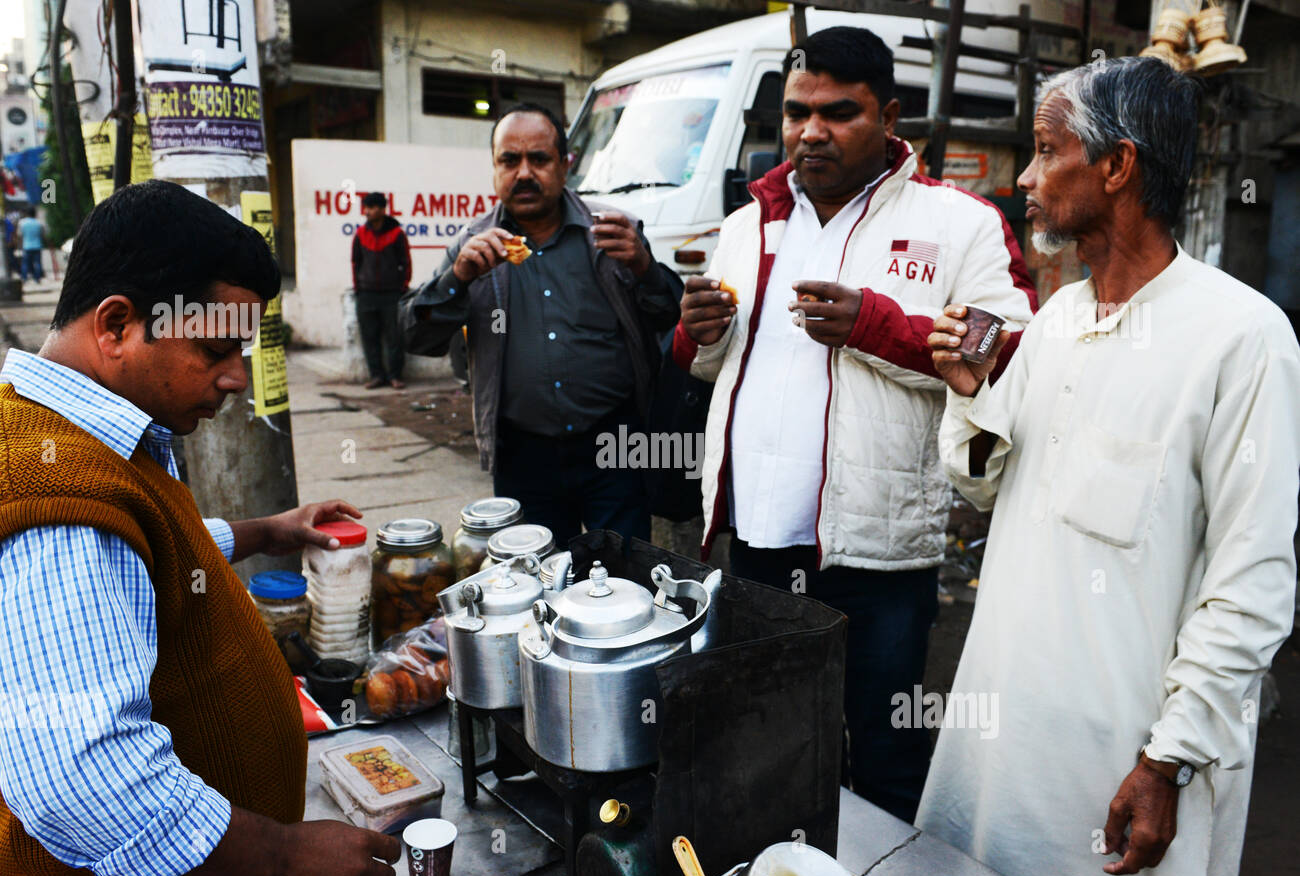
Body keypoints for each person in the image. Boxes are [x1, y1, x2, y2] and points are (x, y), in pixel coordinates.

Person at [917, 57, 1300, 876]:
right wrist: (970, 391)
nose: (1025, 175)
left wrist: (1168, 758)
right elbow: (987, 485)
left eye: (1046, 149)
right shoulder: (1057, 320)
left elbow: (1254, 582)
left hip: (1121, 764)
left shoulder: (1242, 336)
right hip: (999, 740)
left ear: (1116, 166)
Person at [0, 180, 400, 876]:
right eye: (216, 348)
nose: (236, 377)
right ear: (116, 325)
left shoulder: (93, 446)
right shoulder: (52, 496)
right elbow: (79, 773)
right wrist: (280, 858)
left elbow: (149, 562)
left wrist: (269, 530)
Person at [674, 26, 1037, 822]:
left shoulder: (958, 222)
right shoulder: (749, 224)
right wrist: (695, 330)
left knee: (885, 755)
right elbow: (710, 365)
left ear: (890, 116)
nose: (811, 131)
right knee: (770, 744)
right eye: (798, 111)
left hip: (878, 555)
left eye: (840, 112)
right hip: (758, 545)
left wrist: (878, 324)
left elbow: (1008, 346)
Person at [400, 103, 681, 545]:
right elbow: (417, 336)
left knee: (625, 578)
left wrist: (646, 267)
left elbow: (670, 318)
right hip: (523, 454)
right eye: (509, 161)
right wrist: (457, 279)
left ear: (565, 166)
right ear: (494, 169)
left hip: (615, 446)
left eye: (540, 159)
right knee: (540, 584)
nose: (524, 173)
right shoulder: (473, 245)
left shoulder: (613, 232)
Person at [352, 191, 412, 389]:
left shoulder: (397, 234)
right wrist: (358, 288)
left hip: (392, 294)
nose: (367, 211)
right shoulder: (360, 234)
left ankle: (395, 376)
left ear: (381, 209)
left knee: (394, 337)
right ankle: (377, 376)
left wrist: (403, 287)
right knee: (370, 337)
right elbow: (355, 262)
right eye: (366, 207)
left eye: (371, 207)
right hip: (366, 294)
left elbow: (406, 262)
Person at [18, 207, 44, 284]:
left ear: (27, 213)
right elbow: (43, 234)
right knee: (38, 263)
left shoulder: (22, 223)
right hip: (37, 245)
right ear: (35, 213)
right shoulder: (39, 222)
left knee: (25, 263)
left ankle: (24, 278)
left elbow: (19, 234)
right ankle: (37, 278)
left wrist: (19, 245)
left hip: (26, 246)